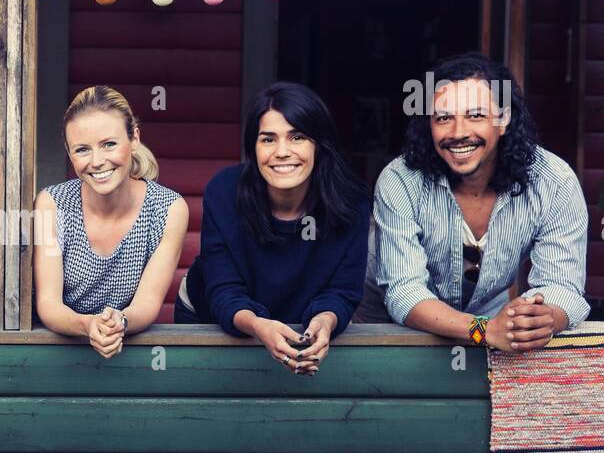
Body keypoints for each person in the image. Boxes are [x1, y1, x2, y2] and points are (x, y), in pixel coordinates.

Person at [360, 52, 589, 351]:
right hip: (385, 325)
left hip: (487, 316)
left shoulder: (553, 181)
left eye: (476, 115)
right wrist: (483, 330)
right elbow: (404, 292)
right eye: (444, 118)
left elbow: (563, 286)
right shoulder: (401, 179)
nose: (459, 133)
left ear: (503, 119)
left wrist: (543, 320)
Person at [174, 81, 370, 375]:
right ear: (253, 148)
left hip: (303, 327)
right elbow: (225, 289)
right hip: (213, 318)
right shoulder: (225, 191)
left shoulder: (351, 203)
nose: (282, 152)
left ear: (319, 144)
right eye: (268, 139)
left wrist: (326, 321)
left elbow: (342, 292)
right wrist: (257, 325)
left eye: (297, 137)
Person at [33, 86, 187, 357]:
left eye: (109, 144)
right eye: (82, 150)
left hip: (129, 354)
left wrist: (119, 323)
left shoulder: (169, 209)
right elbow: (49, 304)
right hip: (56, 353)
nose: (97, 161)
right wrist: (88, 324)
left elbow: (147, 303)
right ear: (69, 153)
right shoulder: (52, 203)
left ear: (135, 138)